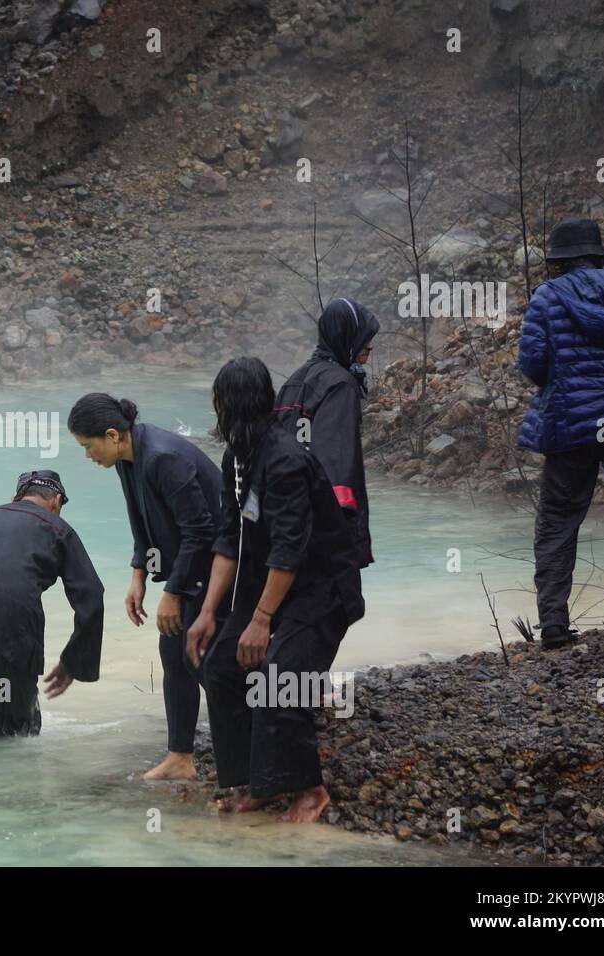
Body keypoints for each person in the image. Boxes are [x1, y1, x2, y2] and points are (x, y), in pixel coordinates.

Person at [186, 358, 364, 823]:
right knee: (222, 665)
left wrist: (261, 621)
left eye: (218, 400)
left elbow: (291, 546)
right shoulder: (237, 457)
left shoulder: (285, 459)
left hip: (320, 589)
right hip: (274, 583)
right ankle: (256, 782)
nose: (216, 408)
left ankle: (310, 789)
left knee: (280, 680)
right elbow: (229, 537)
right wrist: (208, 613)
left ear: (230, 404)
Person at [68, 394, 225, 780]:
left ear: (112, 434)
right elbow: (141, 519)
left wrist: (172, 593)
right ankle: (181, 758)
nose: (88, 456)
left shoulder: (162, 458)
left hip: (219, 568)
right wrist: (139, 572)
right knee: (174, 655)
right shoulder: (128, 457)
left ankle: (251, 749)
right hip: (188, 570)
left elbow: (200, 530)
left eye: (88, 446)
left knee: (203, 661)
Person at [517, 217, 604, 647]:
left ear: (561, 261)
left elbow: (533, 361)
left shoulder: (548, 296)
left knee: (559, 518)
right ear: (596, 254)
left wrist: (565, 386)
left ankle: (555, 623)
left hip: (570, 420)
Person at [0, 470, 104, 740]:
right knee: (20, 730)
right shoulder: (57, 527)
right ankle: (21, 778)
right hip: (10, 621)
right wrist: (74, 660)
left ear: (15, 497)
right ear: (56, 501)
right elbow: (92, 595)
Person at [275, 297, 379, 568]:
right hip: (321, 537)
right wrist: (346, 541)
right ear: (344, 335)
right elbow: (334, 463)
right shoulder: (341, 385)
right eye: (364, 337)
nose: (370, 345)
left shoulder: (294, 380)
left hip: (283, 523)